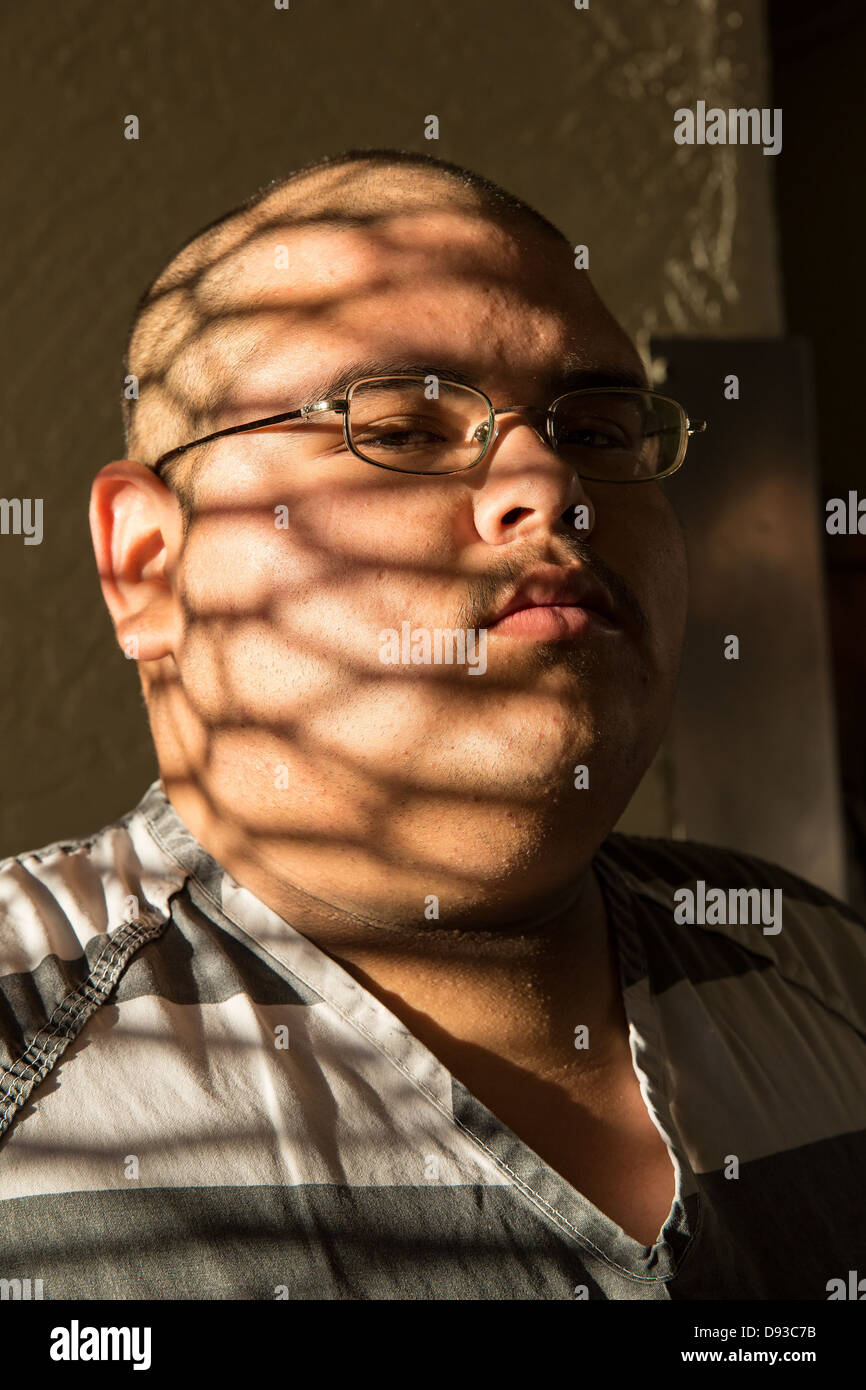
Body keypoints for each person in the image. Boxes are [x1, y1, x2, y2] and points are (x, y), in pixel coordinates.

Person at [0, 149, 863, 1301]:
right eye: (402, 429)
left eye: (599, 430)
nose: (548, 483)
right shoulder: (22, 1034)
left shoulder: (823, 965)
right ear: (148, 566)